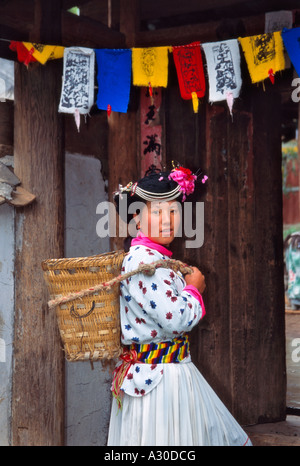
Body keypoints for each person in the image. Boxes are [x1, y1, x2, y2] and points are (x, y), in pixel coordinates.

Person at [107, 165, 251, 446]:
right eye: (158, 212)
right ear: (137, 218)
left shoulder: (155, 259)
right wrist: (194, 289)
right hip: (158, 381)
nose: (168, 220)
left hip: (169, 374)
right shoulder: (142, 261)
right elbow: (175, 318)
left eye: (174, 212)